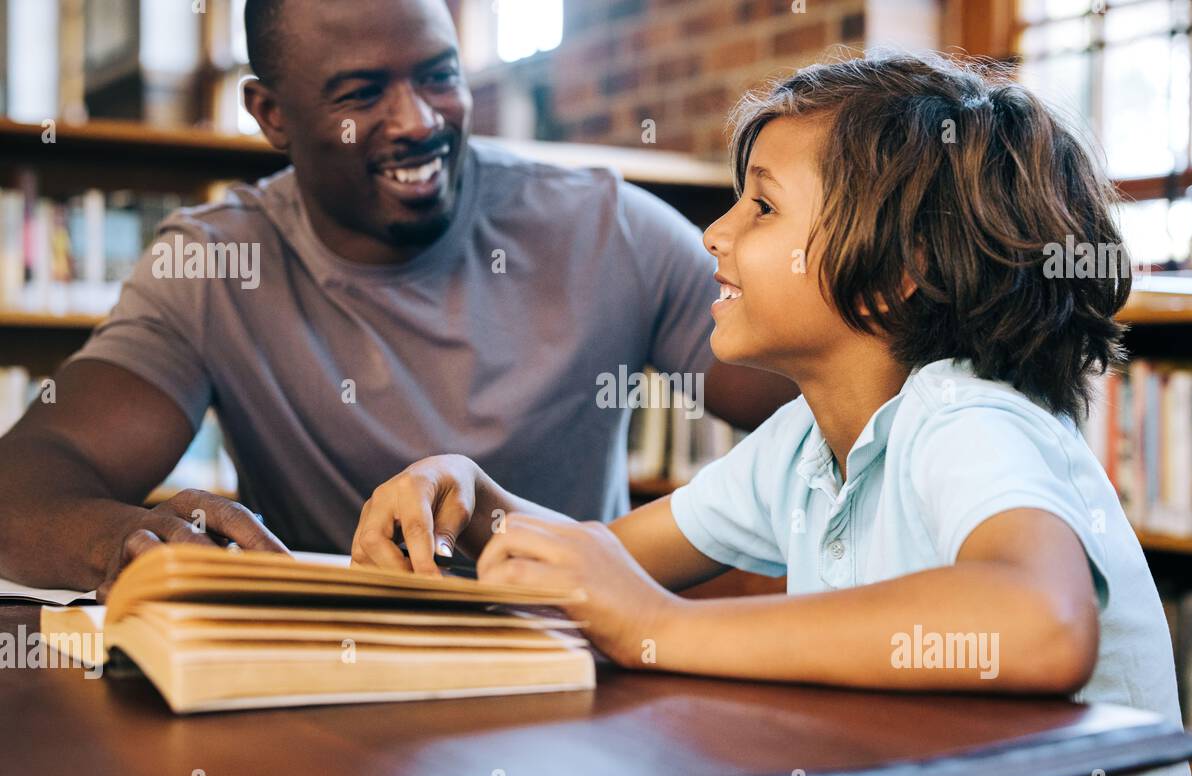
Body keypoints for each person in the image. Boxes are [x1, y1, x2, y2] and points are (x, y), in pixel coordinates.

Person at [354, 52, 1192, 776]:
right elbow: (603, 564)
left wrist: (660, 625)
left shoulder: (967, 417)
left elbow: (1041, 624)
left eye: (761, 208)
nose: (714, 234)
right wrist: (468, 495)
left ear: (902, 268)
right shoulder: (799, 443)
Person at [0, 0, 791, 598]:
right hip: (326, 702)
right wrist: (124, 539)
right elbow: (26, 479)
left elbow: (830, 393)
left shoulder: (605, 225)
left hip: (577, 676)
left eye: (439, 76)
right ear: (270, 114)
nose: (418, 121)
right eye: (361, 92)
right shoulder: (216, 266)